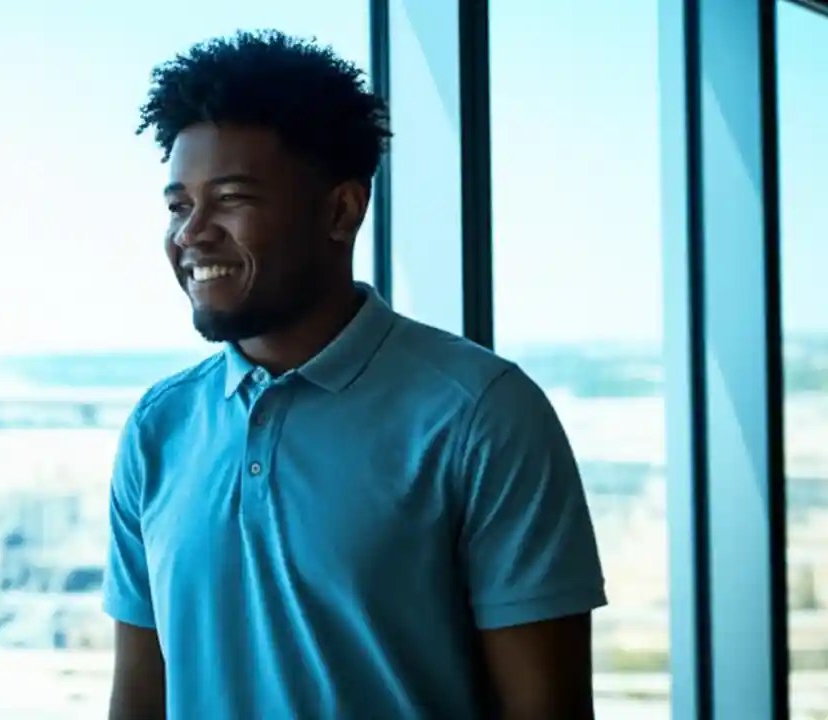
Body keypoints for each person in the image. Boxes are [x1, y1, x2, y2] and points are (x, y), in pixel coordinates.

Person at [103, 30, 606, 720]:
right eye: (179, 205)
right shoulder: (159, 426)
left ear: (342, 210)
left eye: (231, 198)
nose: (192, 232)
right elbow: (138, 696)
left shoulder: (481, 414)